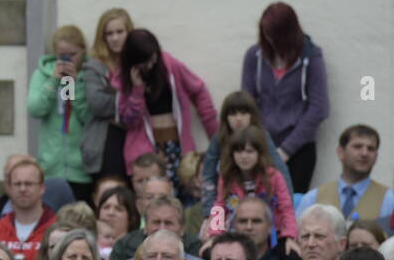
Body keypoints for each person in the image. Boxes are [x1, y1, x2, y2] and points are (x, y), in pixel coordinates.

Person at [240, 2, 329, 194]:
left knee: (291, 205)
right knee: (259, 205)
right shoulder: (254, 57)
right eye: (266, 34)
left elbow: (319, 108)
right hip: (260, 147)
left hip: (298, 150)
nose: (271, 40)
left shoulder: (311, 58)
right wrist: (258, 144)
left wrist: (286, 150)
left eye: (275, 35)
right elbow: (246, 103)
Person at [117, 29, 217, 194]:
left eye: (153, 58)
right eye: (144, 62)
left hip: (176, 145)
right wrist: (137, 90)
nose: (150, 65)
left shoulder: (168, 65)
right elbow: (128, 120)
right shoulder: (124, 77)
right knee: (156, 198)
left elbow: (198, 90)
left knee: (187, 196)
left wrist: (214, 134)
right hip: (147, 152)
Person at [199, 91, 294, 211]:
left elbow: (282, 172)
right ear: (225, 117)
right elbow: (208, 177)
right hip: (227, 204)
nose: (238, 119)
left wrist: (287, 210)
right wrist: (209, 214)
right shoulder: (218, 140)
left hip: (261, 207)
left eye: (243, 113)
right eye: (233, 114)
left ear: (252, 115)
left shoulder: (263, 137)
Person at [28, 26, 91, 202]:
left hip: (81, 171)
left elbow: (86, 116)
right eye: (62, 55)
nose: (67, 60)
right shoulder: (42, 75)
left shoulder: (89, 75)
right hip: (51, 170)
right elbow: (35, 109)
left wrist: (74, 83)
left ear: (83, 52)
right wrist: (54, 81)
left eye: (73, 54)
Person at [210, 126, 298, 247]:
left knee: (292, 258)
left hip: (271, 236)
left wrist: (290, 236)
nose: (244, 156)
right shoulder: (226, 177)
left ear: (259, 153)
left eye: (249, 151)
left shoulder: (274, 176)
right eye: (239, 151)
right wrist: (215, 233)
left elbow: (286, 207)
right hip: (236, 234)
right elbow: (219, 206)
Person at [297, 124, 394, 223]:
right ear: (341, 152)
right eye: (357, 147)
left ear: (376, 156)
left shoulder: (390, 200)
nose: (364, 153)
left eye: (370, 149)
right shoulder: (313, 198)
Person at [0, 156, 57, 260]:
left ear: (42, 188)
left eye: (29, 184)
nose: (23, 188)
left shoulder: (57, 230)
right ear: (9, 188)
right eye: (17, 184)